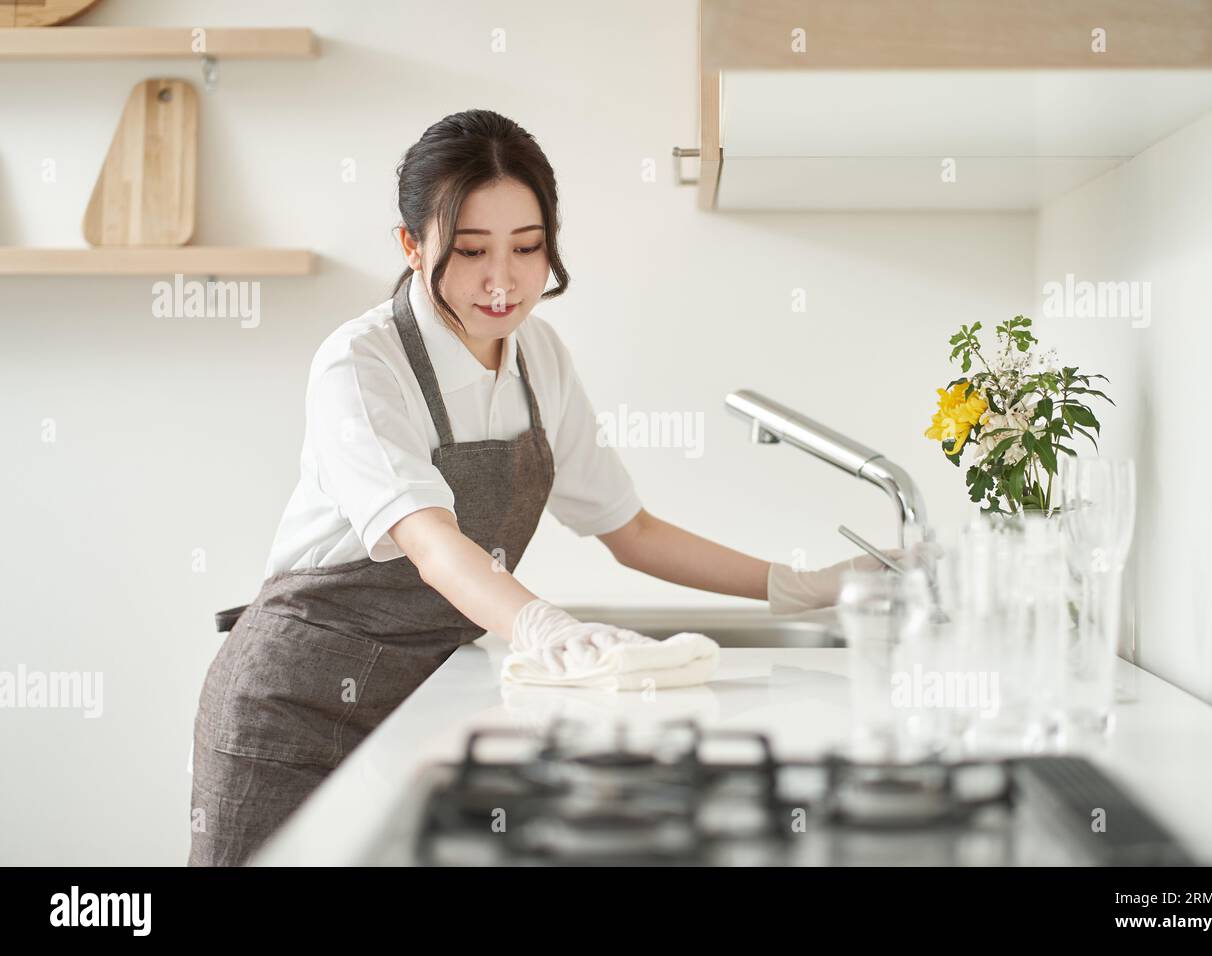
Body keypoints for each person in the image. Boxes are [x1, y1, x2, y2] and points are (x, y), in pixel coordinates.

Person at [187, 109, 904, 866]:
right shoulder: (360, 367)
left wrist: (798, 586)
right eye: (469, 252)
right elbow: (431, 544)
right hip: (288, 716)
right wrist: (544, 628)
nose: (503, 282)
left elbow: (632, 531)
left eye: (527, 248)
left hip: (416, 709)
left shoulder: (539, 359)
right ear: (411, 244)